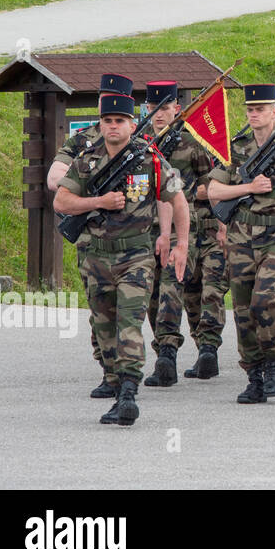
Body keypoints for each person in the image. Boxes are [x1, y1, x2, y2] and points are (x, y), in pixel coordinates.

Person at [53, 89, 188, 425]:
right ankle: (115, 386)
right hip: (96, 258)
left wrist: (179, 243)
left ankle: (128, 391)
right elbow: (62, 202)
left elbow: (179, 201)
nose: (114, 126)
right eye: (108, 121)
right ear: (101, 124)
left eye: (120, 121)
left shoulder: (151, 159)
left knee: (129, 322)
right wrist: (98, 203)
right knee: (104, 326)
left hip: (135, 257)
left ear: (131, 124)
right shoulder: (86, 160)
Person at [208, 84, 275, 403]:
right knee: (243, 310)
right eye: (250, 109)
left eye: (261, 109)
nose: (255, 114)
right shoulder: (236, 148)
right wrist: (247, 186)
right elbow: (213, 191)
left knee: (264, 300)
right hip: (241, 236)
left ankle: (271, 362)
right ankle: (253, 374)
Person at [48, 72, 133, 398]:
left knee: (131, 310)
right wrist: (89, 180)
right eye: (102, 96)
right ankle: (109, 370)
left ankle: (130, 373)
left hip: (131, 238)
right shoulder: (82, 141)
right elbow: (55, 179)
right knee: (101, 310)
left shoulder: (136, 143)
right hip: (91, 236)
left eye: (111, 97)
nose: (104, 102)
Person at [142, 80, 218, 388]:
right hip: (146, 229)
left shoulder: (192, 145)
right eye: (152, 108)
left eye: (164, 108)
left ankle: (168, 356)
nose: (158, 114)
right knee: (152, 294)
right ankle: (180, 348)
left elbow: (212, 185)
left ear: (177, 109)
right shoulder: (140, 145)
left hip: (186, 228)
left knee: (173, 288)